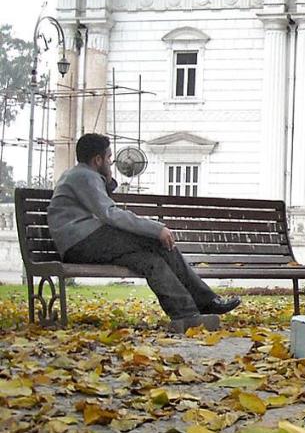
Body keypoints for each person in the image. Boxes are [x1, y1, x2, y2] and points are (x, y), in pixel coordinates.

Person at [47, 134, 241, 332]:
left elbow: (103, 206)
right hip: (83, 242)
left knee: (150, 262)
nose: (111, 162)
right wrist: (157, 229)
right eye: (109, 158)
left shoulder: (81, 175)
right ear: (98, 160)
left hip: (81, 243)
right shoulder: (84, 176)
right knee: (157, 241)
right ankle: (207, 301)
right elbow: (110, 214)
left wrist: (107, 179)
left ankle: (186, 314)